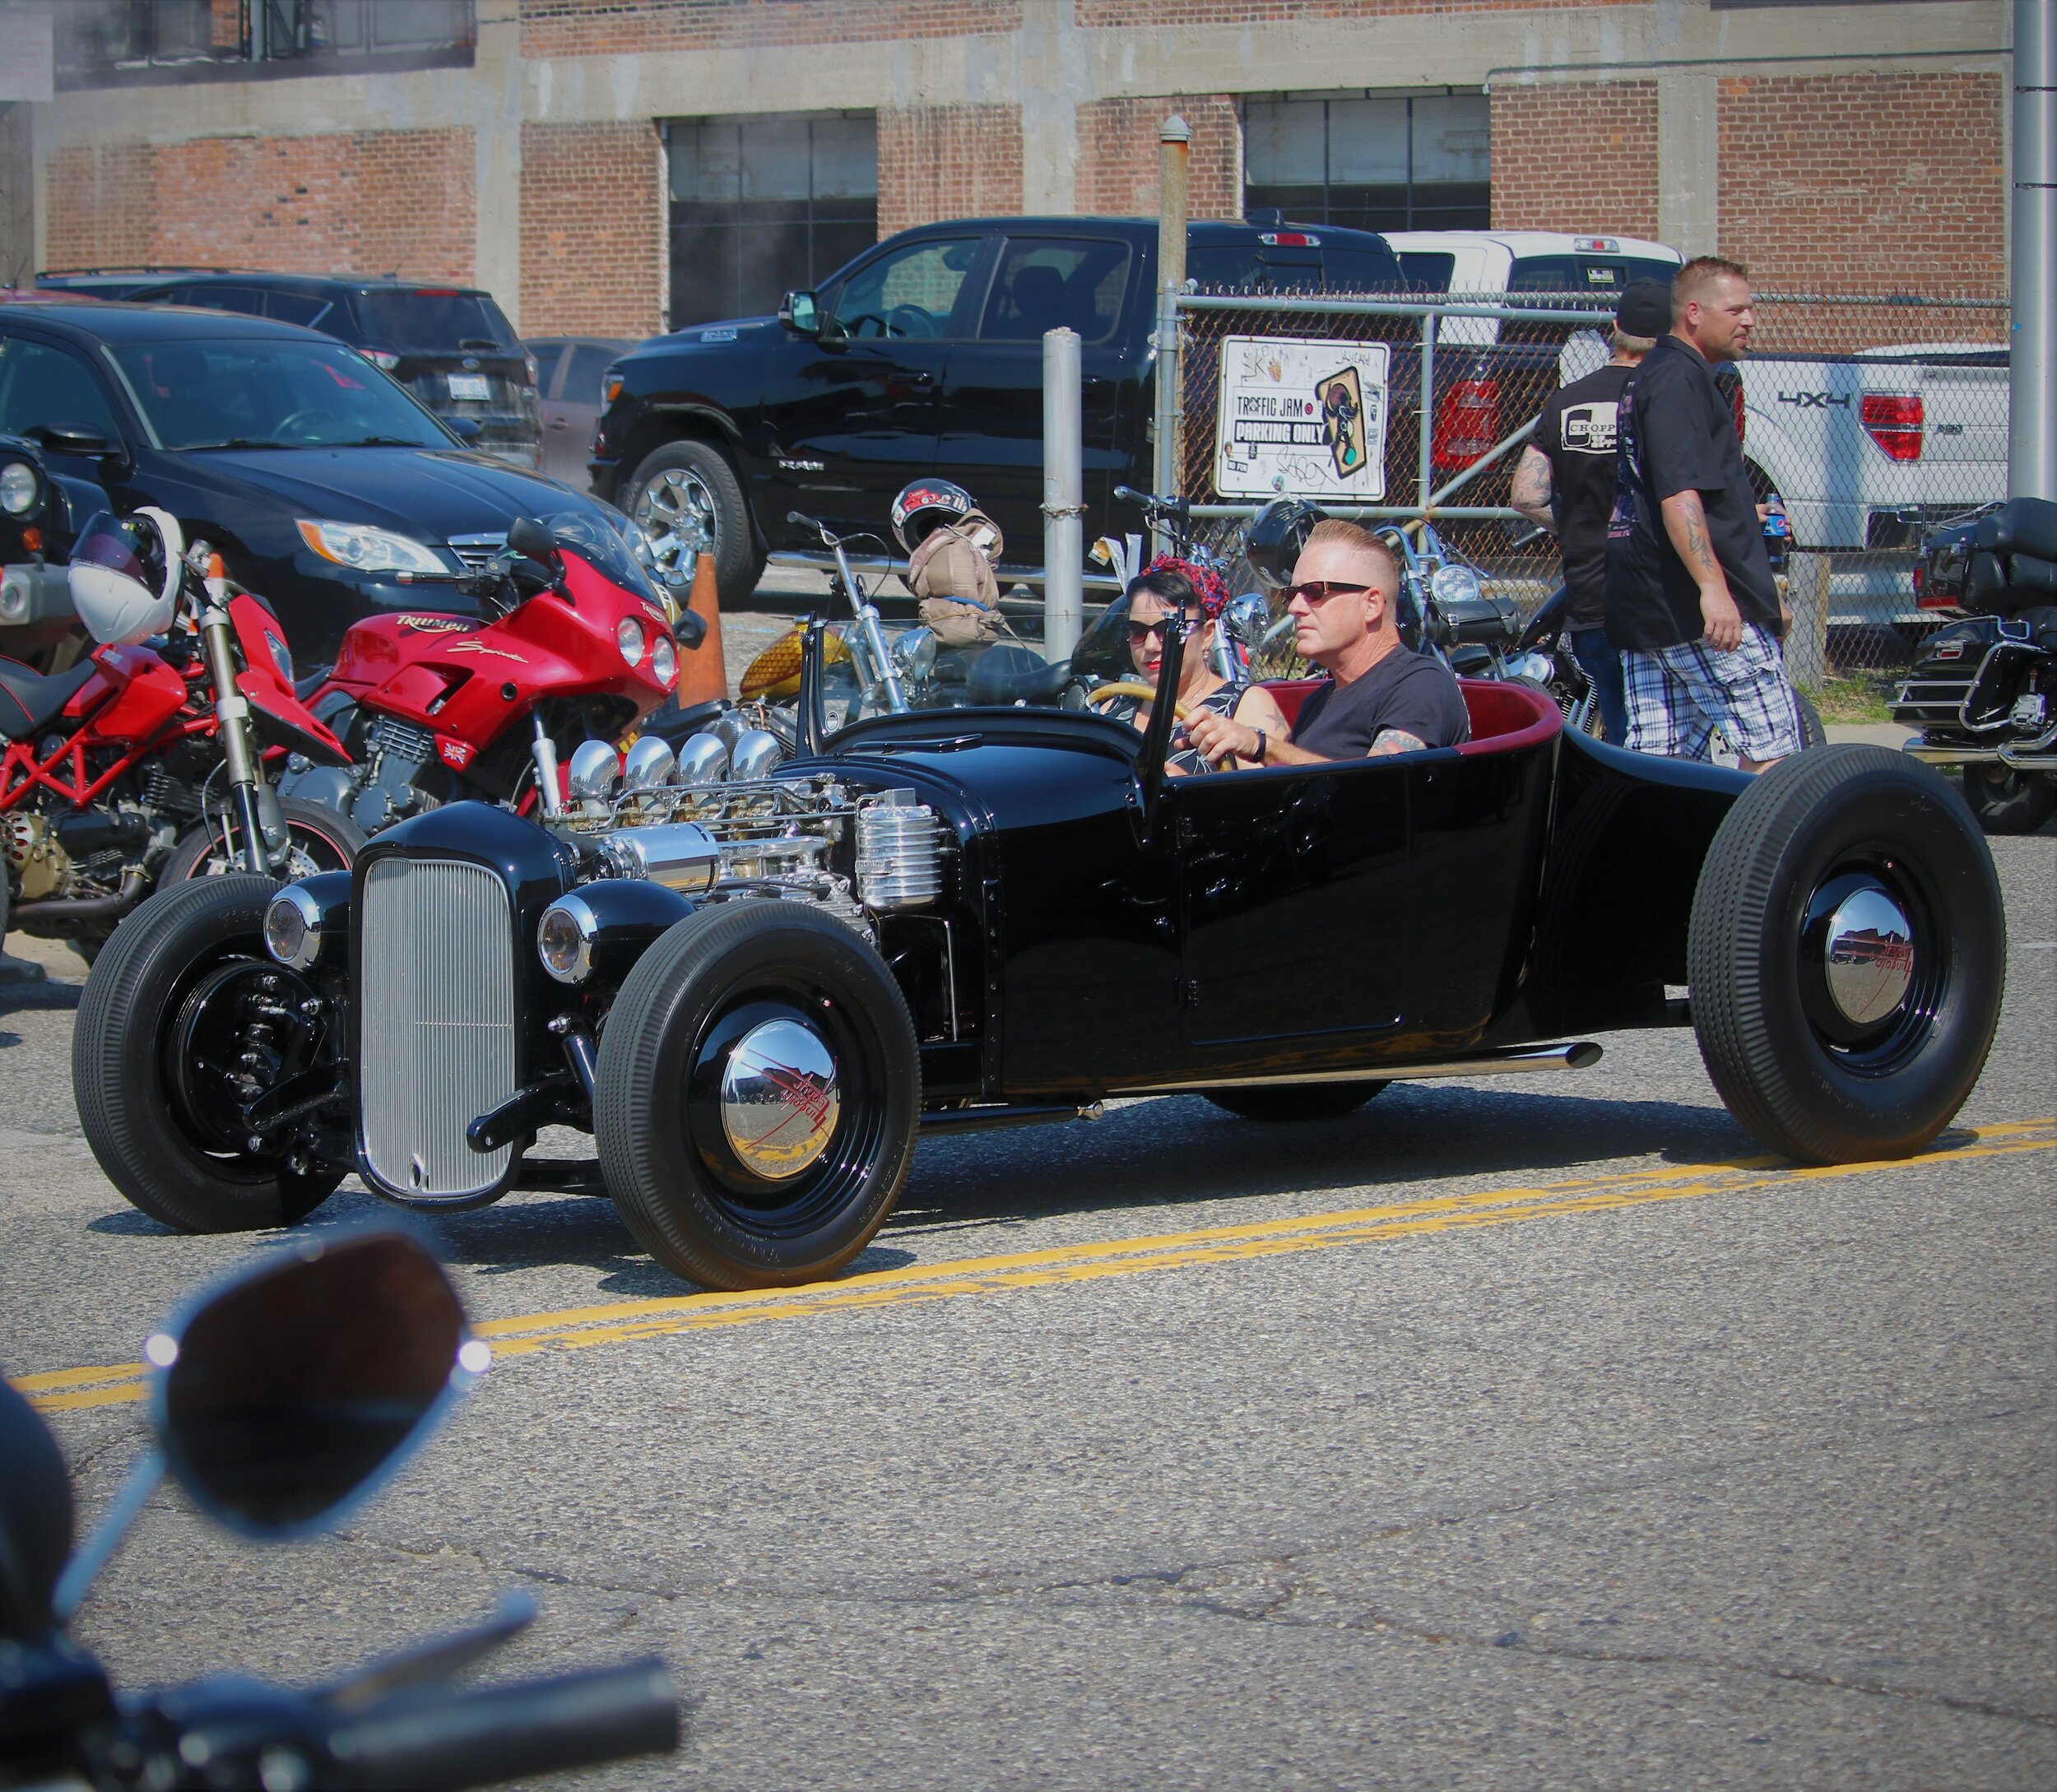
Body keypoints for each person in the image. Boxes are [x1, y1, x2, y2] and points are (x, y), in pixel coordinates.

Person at [1602, 256, 1804, 773]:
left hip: (1651, 608)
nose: (1749, 320)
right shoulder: (1678, 381)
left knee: (1661, 770)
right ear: (1693, 312)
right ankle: (1760, 857)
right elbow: (1678, 496)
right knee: (1774, 758)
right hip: (1693, 607)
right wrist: (1716, 590)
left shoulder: (1657, 376)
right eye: (1736, 309)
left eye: (1751, 309)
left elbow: (1673, 491)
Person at [1510, 279, 1672, 744]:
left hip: (1591, 594)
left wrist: (1580, 527)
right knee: (1667, 733)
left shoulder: (1566, 400)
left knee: (1621, 724)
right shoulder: (1665, 398)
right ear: (1666, 337)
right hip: (1657, 597)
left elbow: (1525, 495)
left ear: (1615, 327)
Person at [1184, 518, 1469, 766]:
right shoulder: (1318, 701)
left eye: (1314, 591)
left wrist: (1262, 746)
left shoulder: (1418, 685)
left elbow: (1381, 787)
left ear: (1371, 604)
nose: (1295, 607)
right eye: (1291, 594)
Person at [1099, 559, 1289, 773]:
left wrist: (1190, 791)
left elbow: (1272, 800)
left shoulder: (1245, 705)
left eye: (1169, 629)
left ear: (1207, 635)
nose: (1151, 645)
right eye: (1137, 630)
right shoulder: (1111, 710)